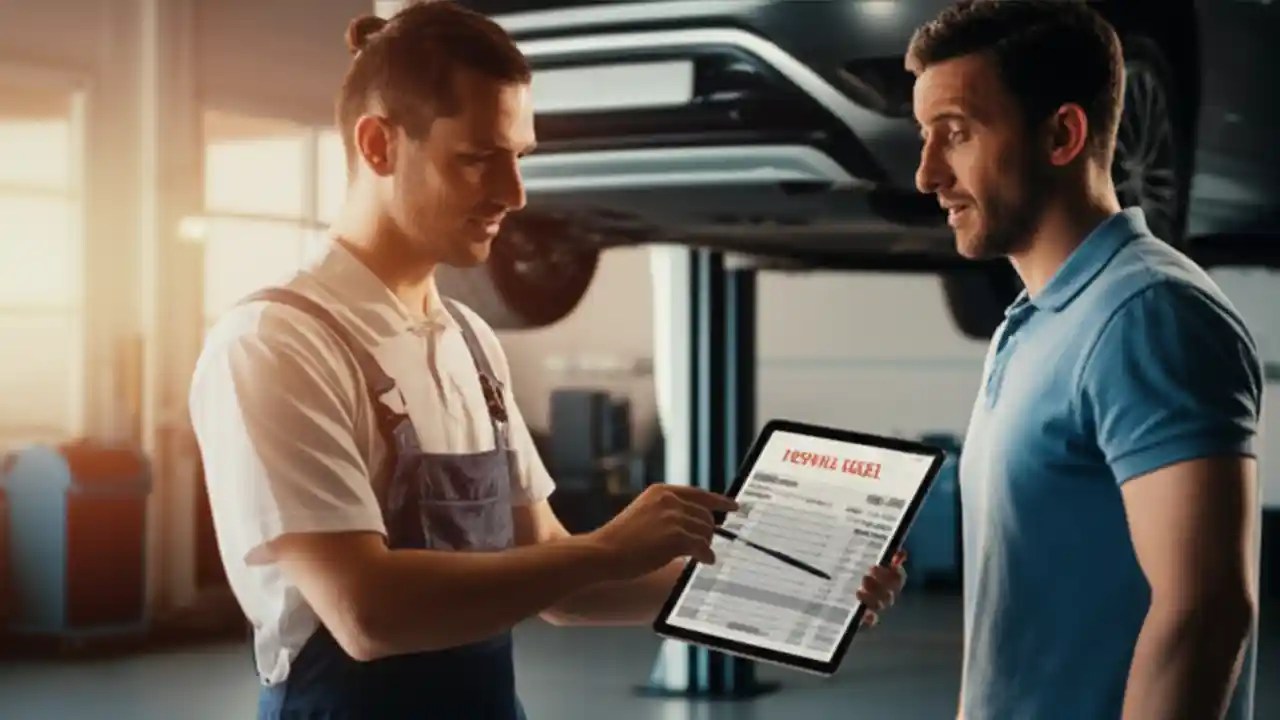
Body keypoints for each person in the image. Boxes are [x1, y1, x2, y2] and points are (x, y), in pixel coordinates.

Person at [189, 2, 906, 718]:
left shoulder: (470, 341)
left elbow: (562, 587)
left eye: (519, 157)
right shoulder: (277, 343)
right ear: (378, 145)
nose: (514, 194)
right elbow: (367, 612)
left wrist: (797, 586)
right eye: (477, 158)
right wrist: (608, 548)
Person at [906, 2, 1264, 719]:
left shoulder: (1148, 314)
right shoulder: (1034, 321)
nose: (926, 175)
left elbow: (1205, 610)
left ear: (1063, 134)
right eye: (925, 138)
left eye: (957, 134)